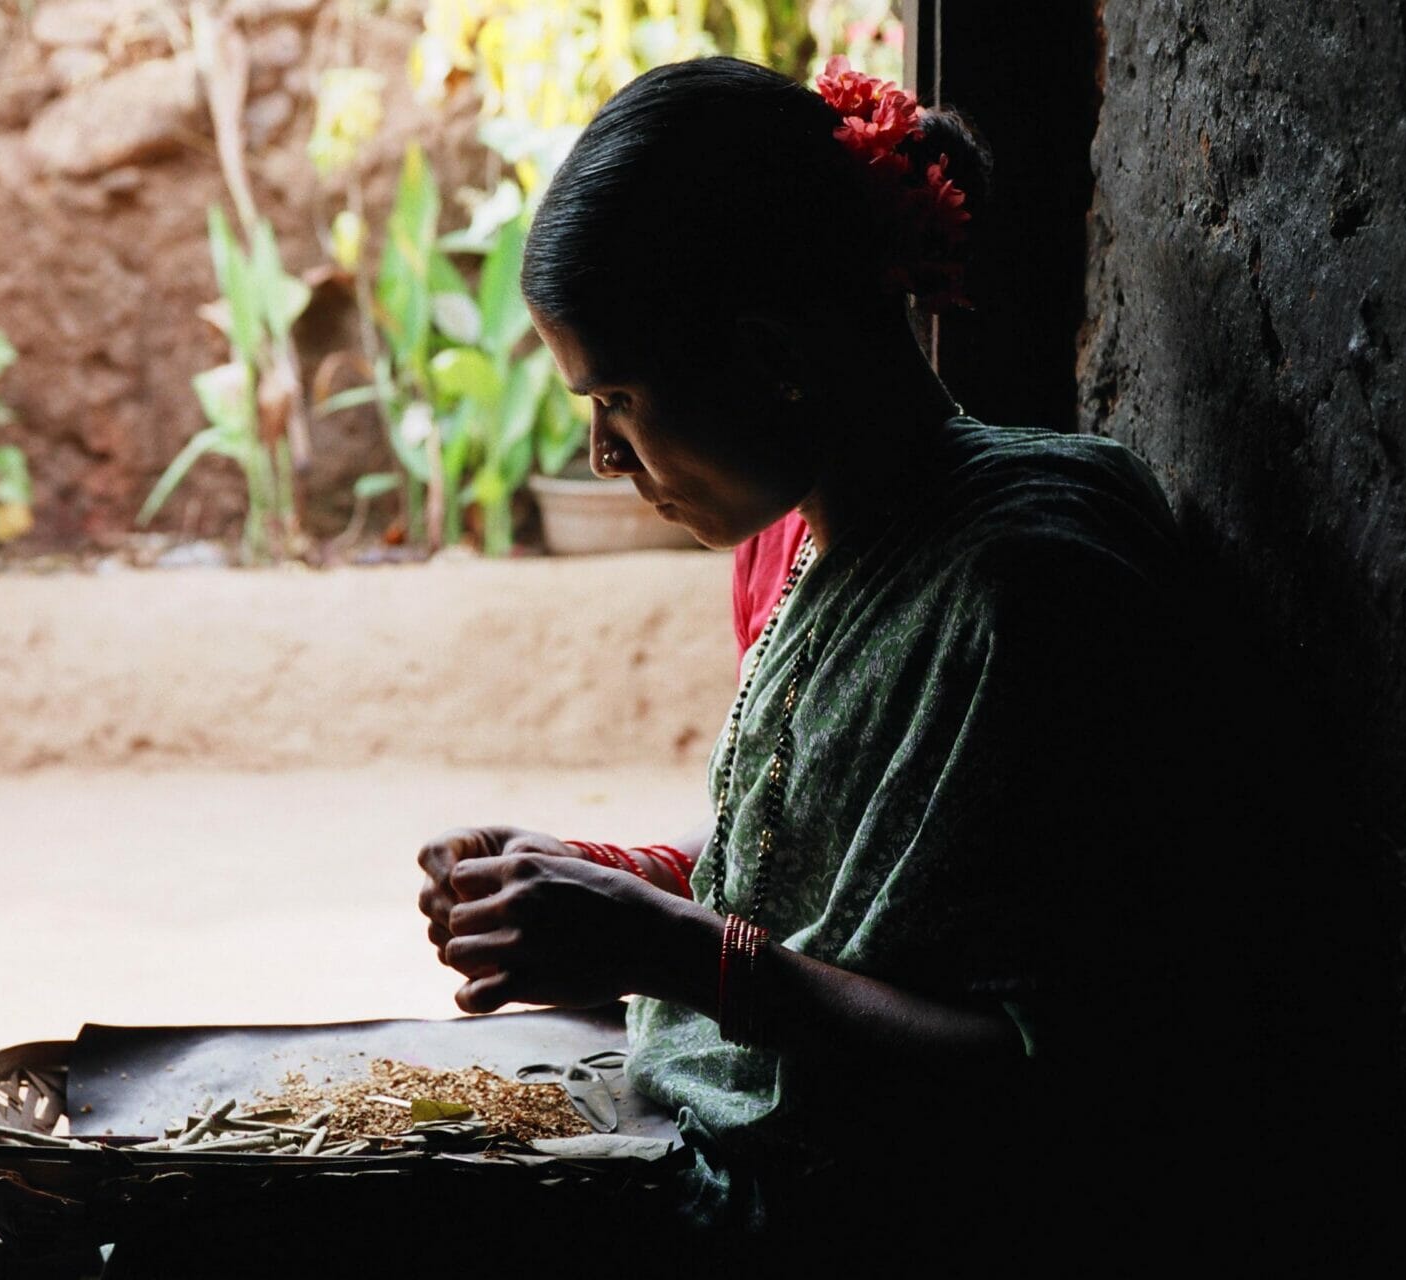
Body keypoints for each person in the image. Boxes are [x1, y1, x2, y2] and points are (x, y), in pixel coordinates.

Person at [416, 55, 1255, 1270]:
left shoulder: (1029, 588)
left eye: (622, 398)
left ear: (770, 354)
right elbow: (820, 857)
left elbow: (1051, 1073)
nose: (602, 454)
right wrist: (592, 884)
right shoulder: (813, 538)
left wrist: (669, 948)